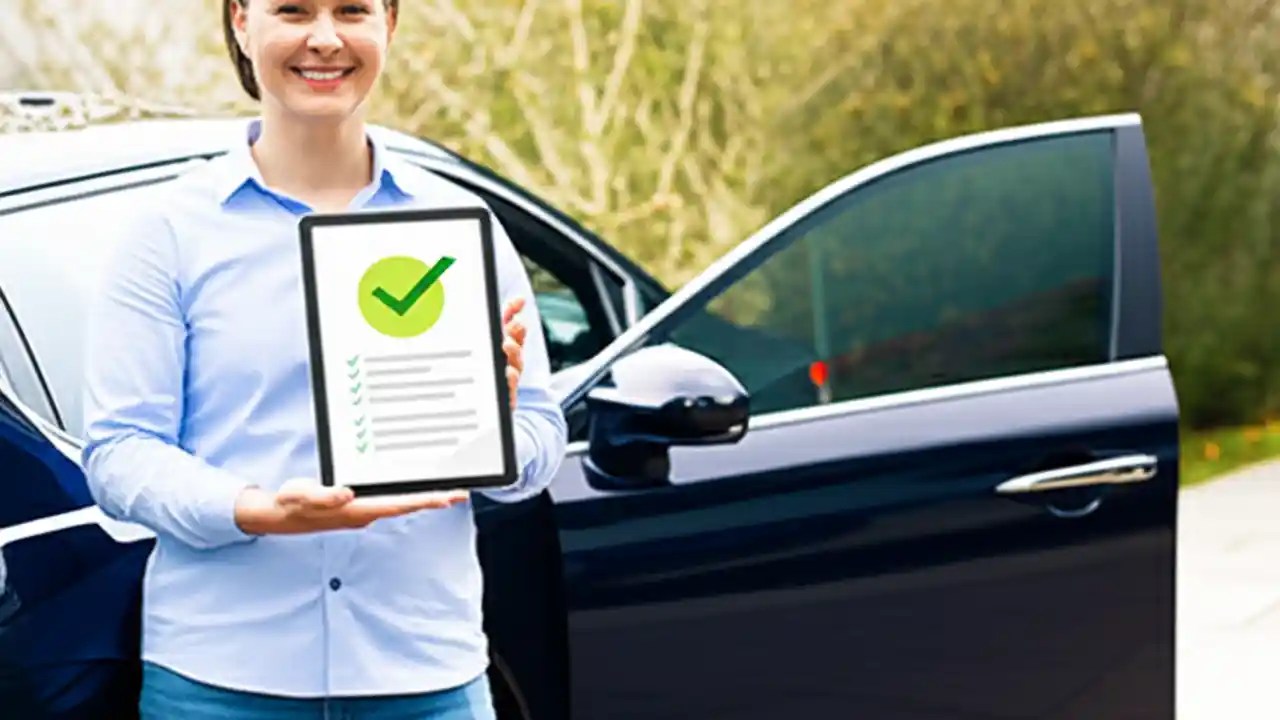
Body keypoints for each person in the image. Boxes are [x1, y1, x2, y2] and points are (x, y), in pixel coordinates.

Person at [80, 0, 567, 718]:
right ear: (242, 22)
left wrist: (489, 434)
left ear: (390, 25)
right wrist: (253, 510)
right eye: (294, 10)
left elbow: (540, 436)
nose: (326, 38)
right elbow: (120, 453)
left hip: (424, 678)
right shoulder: (168, 233)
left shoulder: (459, 227)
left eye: (353, 10)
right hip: (222, 682)